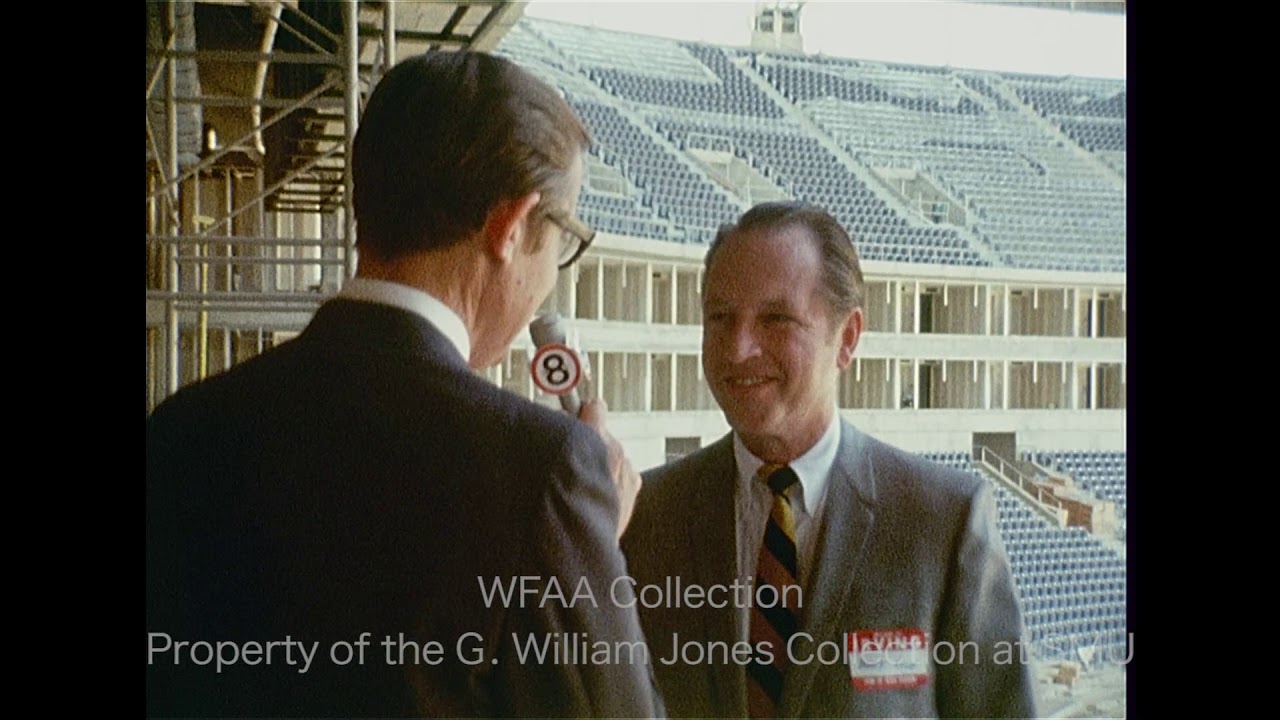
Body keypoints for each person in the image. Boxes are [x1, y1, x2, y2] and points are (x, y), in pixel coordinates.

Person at [147, 51, 661, 718]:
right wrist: (593, 551)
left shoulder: (182, 425)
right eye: (561, 240)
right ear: (510, 226)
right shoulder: (543, 472)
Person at [621, 201, 1036, 718]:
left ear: (848, 338)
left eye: (776, 319)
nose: (738, 348)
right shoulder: (644, 518)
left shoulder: (943, 520)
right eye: (720, 318)